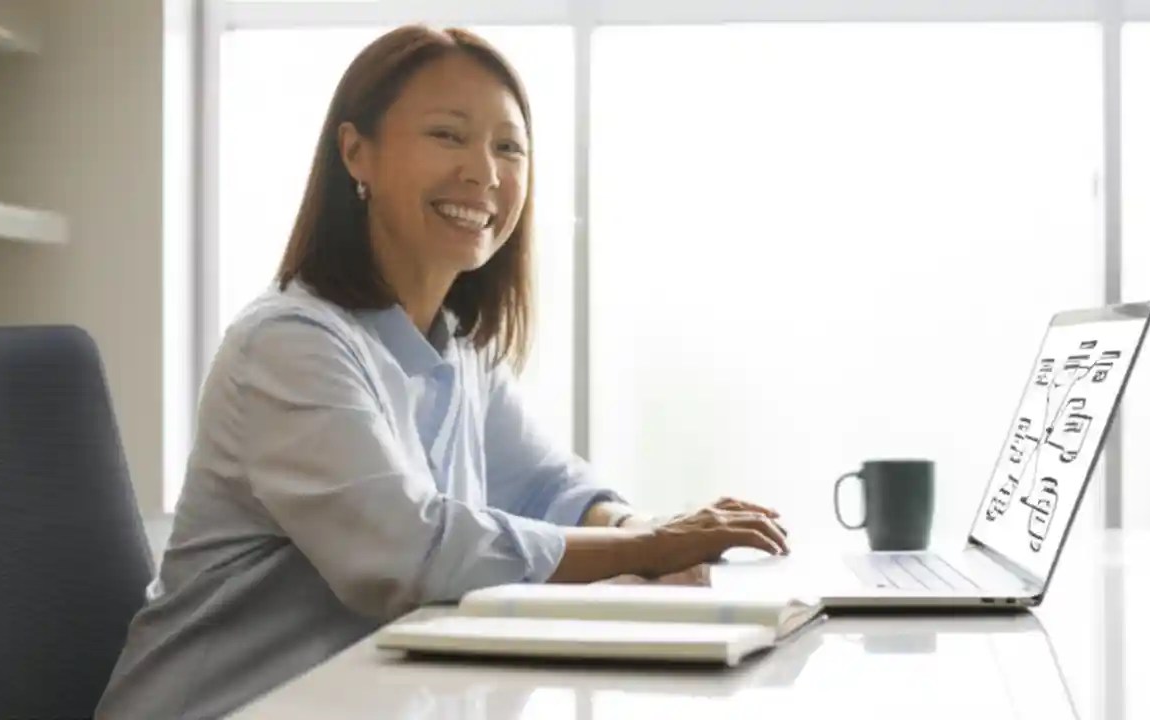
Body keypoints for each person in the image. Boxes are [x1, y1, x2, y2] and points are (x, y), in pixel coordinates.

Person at [96, 25, 788, 719]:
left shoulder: (457, 350)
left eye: (508, 147)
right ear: (355, 153)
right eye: (448, 136)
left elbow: (550, 488)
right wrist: (646, 544)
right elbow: (407, 553)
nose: (484, 172)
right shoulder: (288, 344)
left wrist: (643, 534)